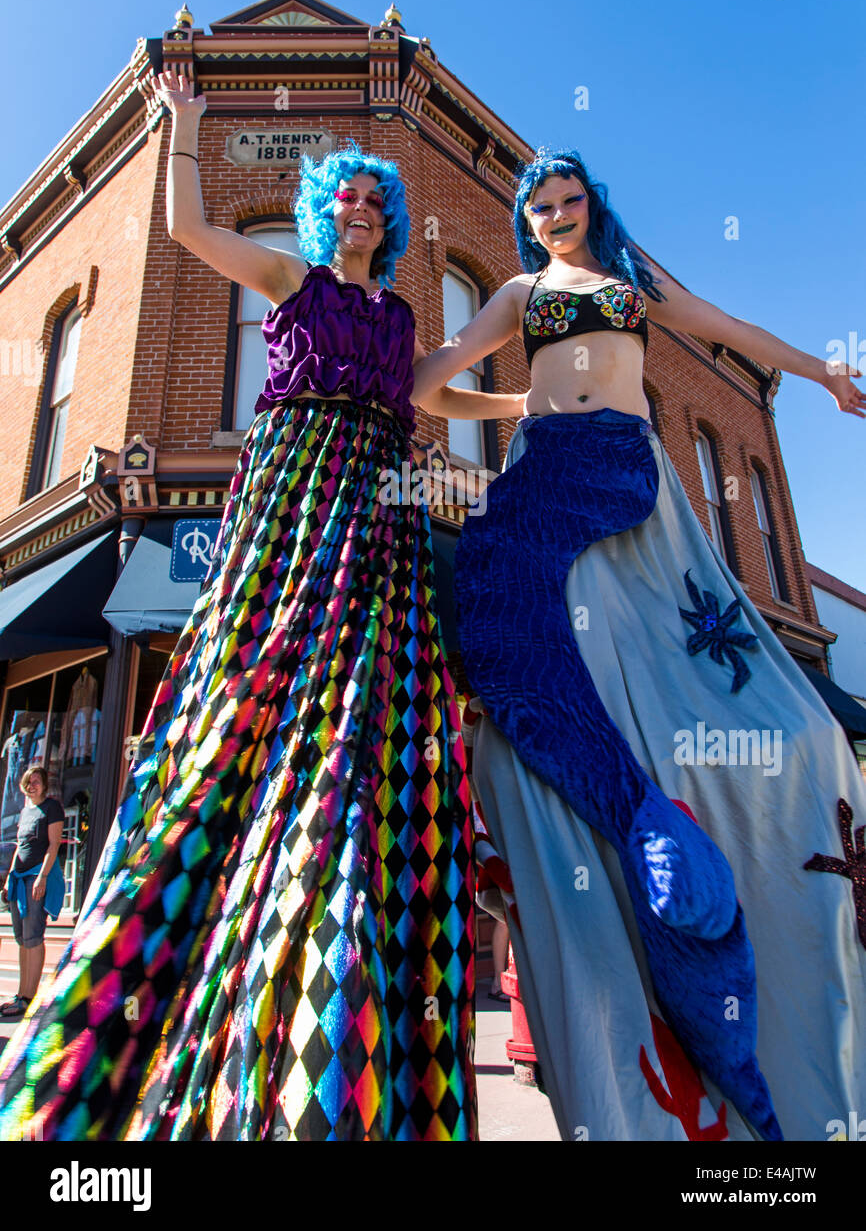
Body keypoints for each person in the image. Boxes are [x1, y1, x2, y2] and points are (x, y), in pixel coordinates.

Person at [0, 72, 525, 1142]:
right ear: (325, 206)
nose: (363, 214)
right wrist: (184, 124)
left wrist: (524, 391)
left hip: (379, 492)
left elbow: (431, 386)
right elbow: (187, 223)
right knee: (266, 670)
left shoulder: (394, 310)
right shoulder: (289, 278)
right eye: (350, 200)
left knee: (370, 697)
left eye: (378, 203)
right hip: (293, 485)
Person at [412, 146, 866, 1142]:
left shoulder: (628, 280)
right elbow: (436, 386)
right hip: (543, 472)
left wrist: (821, 369)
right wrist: (501, 399)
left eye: (570, 199)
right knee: (505, 628)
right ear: (525, 217)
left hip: (623, 476)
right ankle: (620, 827)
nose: (556, 214)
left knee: (748, 700)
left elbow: (723, 327)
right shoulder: (519, 294)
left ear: (590, 206)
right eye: (541, 203)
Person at [0, 767, 65, 1020]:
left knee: (34, 935)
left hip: (37, 877)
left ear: (45, 784)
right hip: (18, 879)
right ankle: (20, 994)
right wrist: (9, 879)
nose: (32, 785)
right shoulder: (25, 811)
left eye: (36, 781)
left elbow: (54, 844)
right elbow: (20, 847)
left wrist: (42, 877)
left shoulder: (52, 808)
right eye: (28, 781)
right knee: (21, 937)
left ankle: (30, 997)